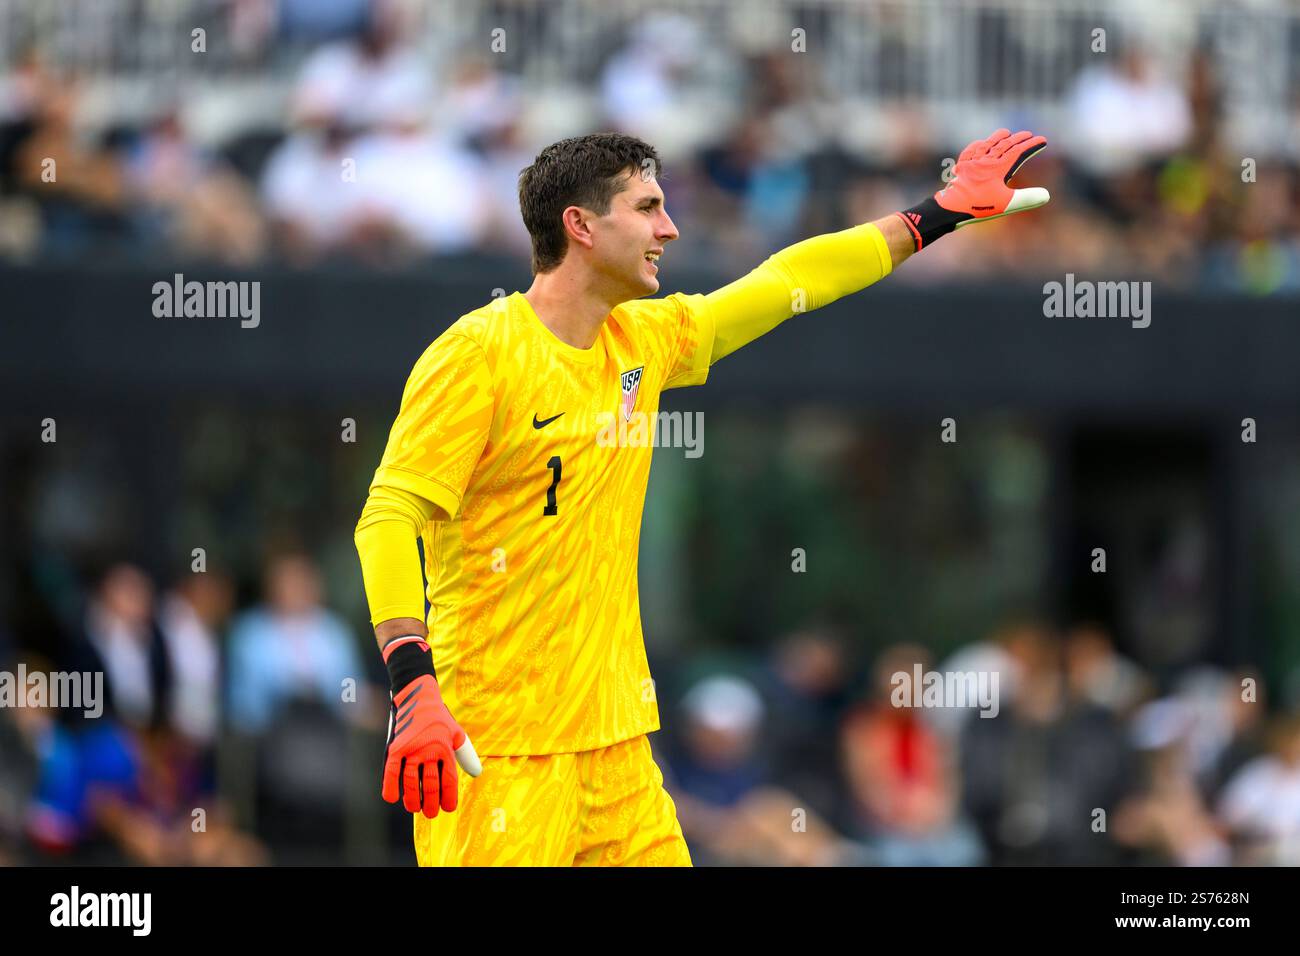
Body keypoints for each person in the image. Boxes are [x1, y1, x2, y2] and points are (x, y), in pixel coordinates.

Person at [354, 128, 1050, 866]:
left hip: (617, 753)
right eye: (648, 207)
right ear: (582, 226)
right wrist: (412, 686)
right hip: (500, 751)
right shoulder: (478, 355)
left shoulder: (644, 340)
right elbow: (389, 517)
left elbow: (784, 284)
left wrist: (936, 214)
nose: (670, 228)